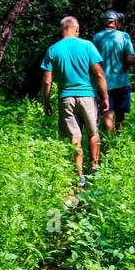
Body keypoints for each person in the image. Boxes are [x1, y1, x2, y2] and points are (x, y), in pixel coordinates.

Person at [41, 16, 109, 187]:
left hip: (66, 98)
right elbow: (99, 74)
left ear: (62, 29)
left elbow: (47, 80)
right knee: (93, 133)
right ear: (76, 29)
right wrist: (105, 97)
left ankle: (79, 177)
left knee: (75, 136)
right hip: (87, 96)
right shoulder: (87, 46)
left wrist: (46, 102)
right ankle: (94, 168)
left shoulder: (53, 49)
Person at [92, 9, 135, 133]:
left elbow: (92, 60)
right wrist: (125, 66)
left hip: (103, 83)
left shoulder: (96, 38)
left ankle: (110, 144)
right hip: (121, 81)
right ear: (116, 22)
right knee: (121, 114)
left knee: (107, 113)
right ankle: (118, 139)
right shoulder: (124, 36)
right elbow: (129, 58)